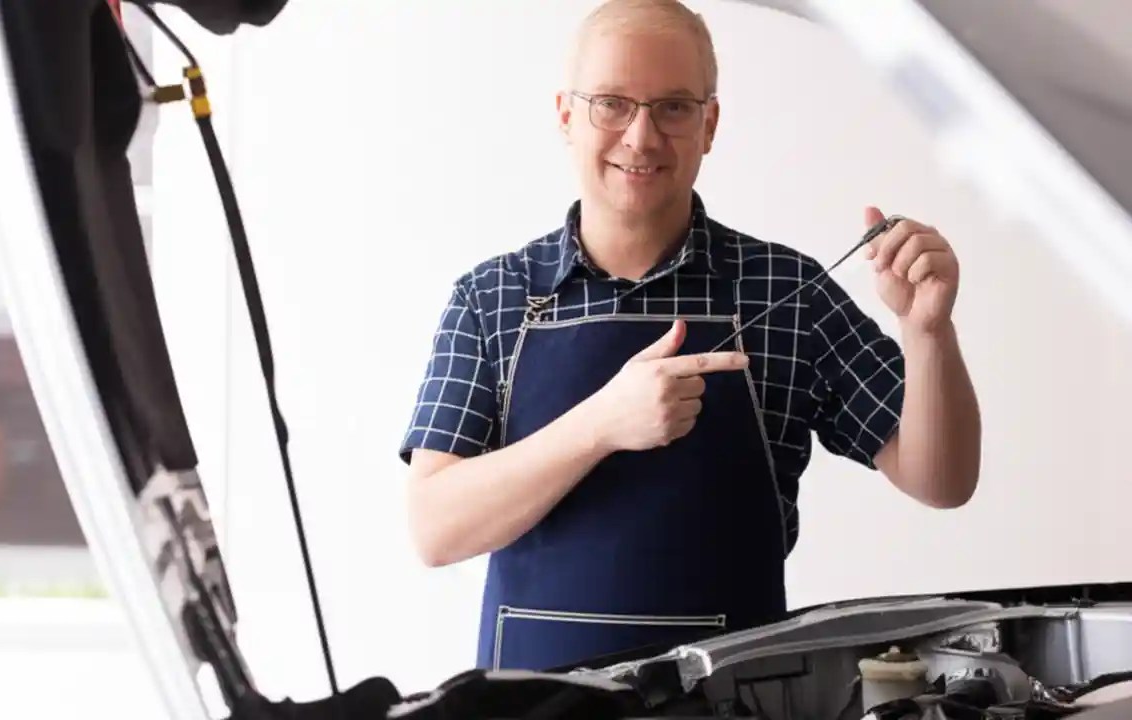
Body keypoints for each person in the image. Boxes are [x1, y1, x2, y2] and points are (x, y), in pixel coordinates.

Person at [398, 0, 981, 672]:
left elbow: (942, 479)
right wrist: (601, 425)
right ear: (566, 114)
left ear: (710, 124)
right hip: (533, 703)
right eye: (612, 103)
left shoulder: (786, 291)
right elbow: (435, 528)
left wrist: (927, 330)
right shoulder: (491, 298)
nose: (641, 138)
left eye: (673, 107)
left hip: (740, 699)